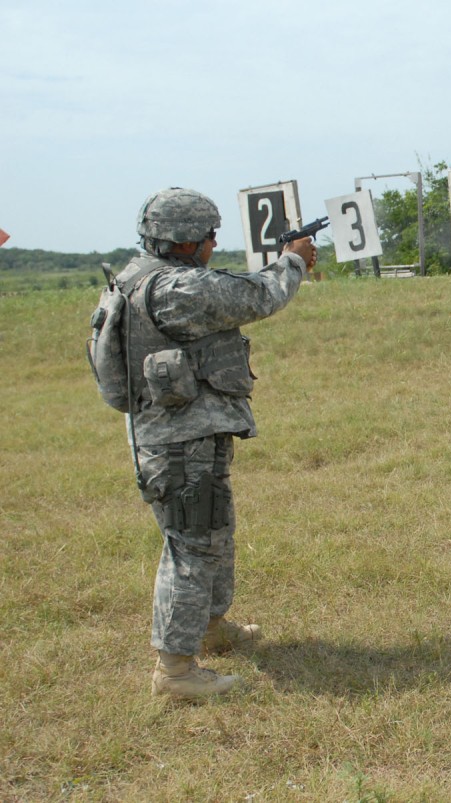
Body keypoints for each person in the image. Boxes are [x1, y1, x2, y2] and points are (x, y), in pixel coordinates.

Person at [112, 187, 317, 699]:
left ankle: (210, 628)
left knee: (212, 535)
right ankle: (176, 671)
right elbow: (253, 296)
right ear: (186, 241)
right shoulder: (175, 289)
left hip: (186, 436)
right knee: (192, 547)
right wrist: (292, 263)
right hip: (179, 443)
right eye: (208, 234)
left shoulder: (136, 276)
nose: (213, 242)